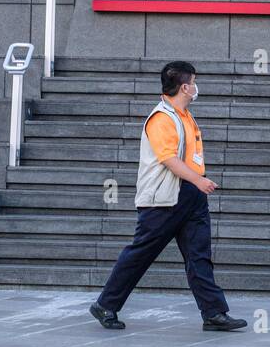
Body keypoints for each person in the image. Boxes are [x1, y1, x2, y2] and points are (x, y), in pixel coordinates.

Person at [90, 60, 246, 332]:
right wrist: (199, 180)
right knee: (141, 253)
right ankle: (105, 304)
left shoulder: (183, 115)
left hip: (191, 195)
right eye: (194, 82)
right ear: (185, 87)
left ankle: (214, 313)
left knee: (199, 256)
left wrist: (197, 184)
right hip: (164, 198)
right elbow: (169, 159)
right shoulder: (162, 118)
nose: (196, 87)